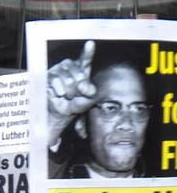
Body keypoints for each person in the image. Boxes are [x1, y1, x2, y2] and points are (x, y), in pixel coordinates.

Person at [46, 39, 152, 179]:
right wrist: (55, 121)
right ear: (81, 126)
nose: (126, 124)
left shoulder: (169, 187)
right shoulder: (58, 178)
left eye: (139, 109)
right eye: (111, 108)